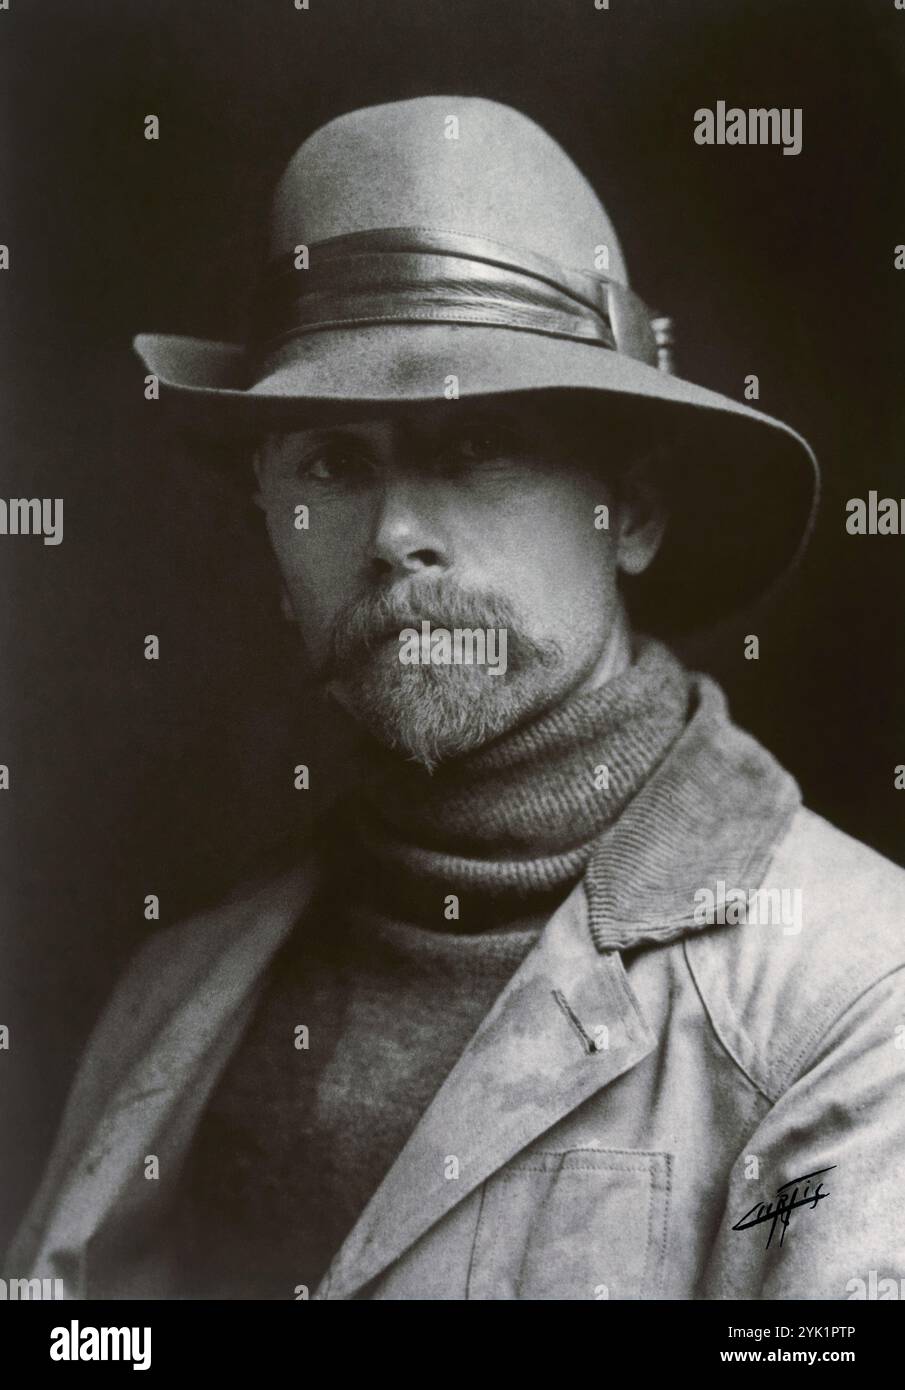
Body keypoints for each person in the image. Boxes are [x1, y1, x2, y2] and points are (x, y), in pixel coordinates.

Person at [6, 95, 905, 1301]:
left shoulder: (852, 993)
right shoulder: (178, 991)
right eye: (334, 464)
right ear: (270, 535)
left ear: (627, 512)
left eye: (476, 448)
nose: (395, 538)